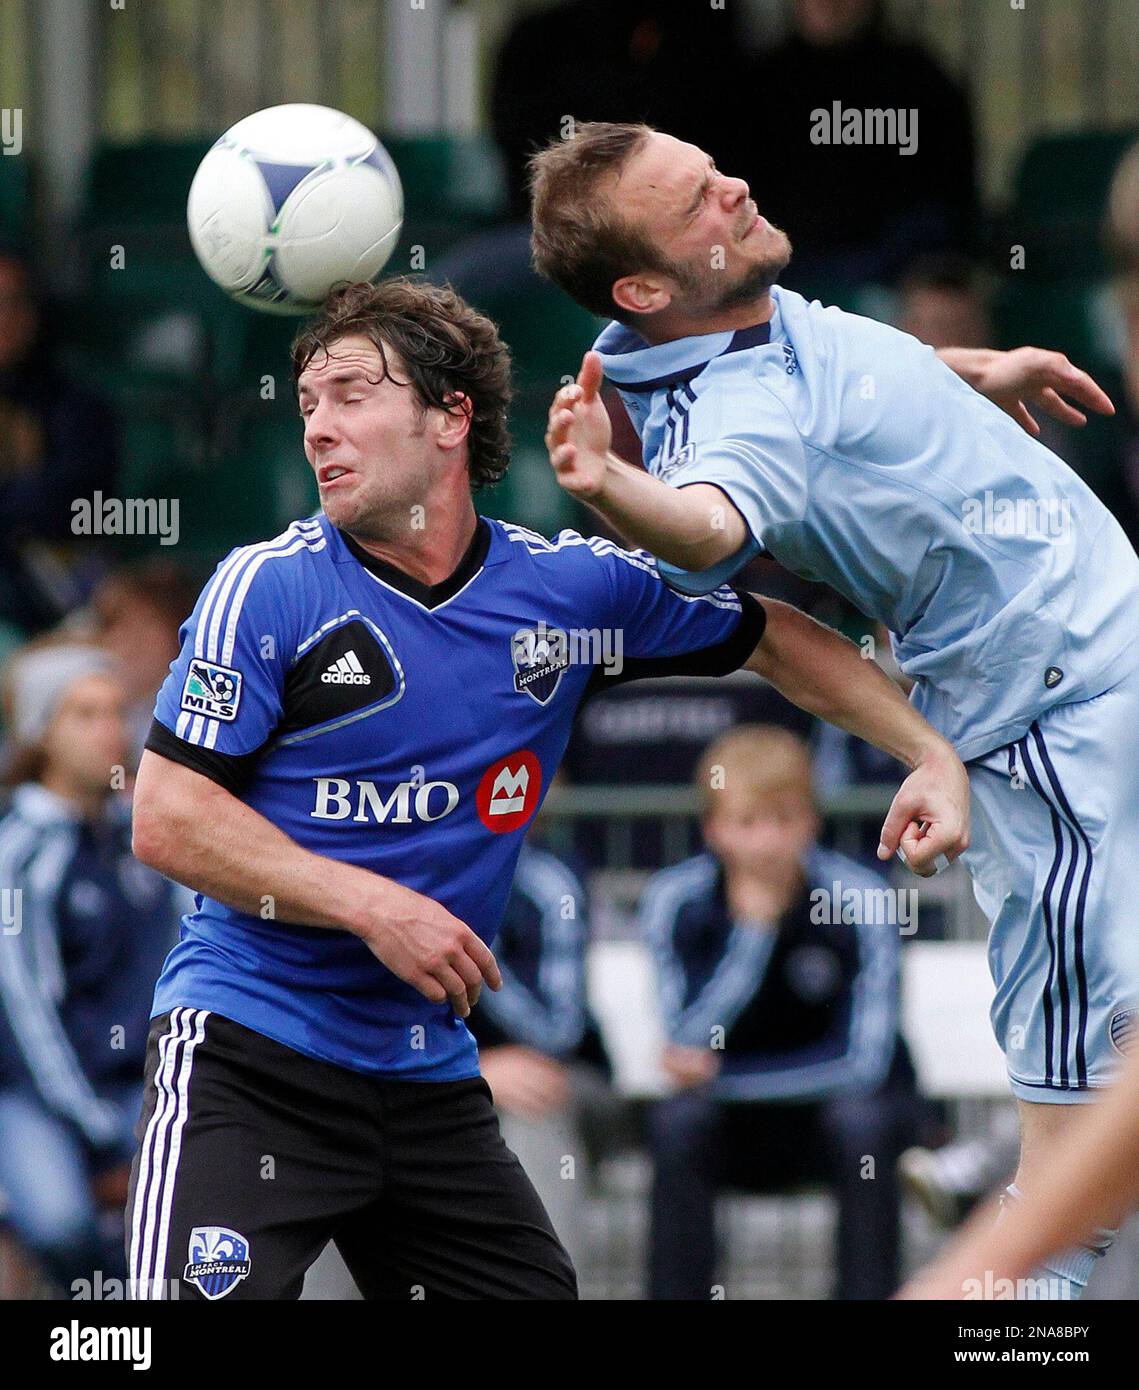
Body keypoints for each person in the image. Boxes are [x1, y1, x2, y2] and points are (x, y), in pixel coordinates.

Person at [127, 276, 968, 1302]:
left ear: (450, 417)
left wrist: (926, 748)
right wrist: (370, 904)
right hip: (251, 1055)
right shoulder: (267, 587)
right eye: (307, 403)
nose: (318, 428)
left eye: (350, 393)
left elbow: (775, 638)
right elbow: (166, 817)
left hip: (421, 1071)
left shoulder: (564, 593)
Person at [529, 120, 1139, 1299]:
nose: (734, 186)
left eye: (716, 167)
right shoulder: (723, 418)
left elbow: (846, 382)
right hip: (1052, 723)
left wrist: (975, 371)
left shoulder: (726, 303)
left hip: (1105, 652)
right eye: (700, 197)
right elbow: (709, 525)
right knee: (1074, 1124)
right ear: (647, 282)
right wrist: (611, 489)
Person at [642, 725, 924, 1300]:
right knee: (676, 1125)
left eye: (784, 819)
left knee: (863, 1124)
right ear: (714, 829)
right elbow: (687, 1038)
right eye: (748, 822)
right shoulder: (677, 899)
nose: (768, 841)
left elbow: (863, 1064)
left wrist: (726, 1078)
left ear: (811, 821)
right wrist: (752, 934)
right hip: (733, 1128)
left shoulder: (858, 899)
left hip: (829, 1120)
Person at [0, 645, 180, 1295]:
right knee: (62, 1224)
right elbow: (26, 1018)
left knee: (202, 1206)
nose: (110, 730)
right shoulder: (20, 852)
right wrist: (104, 1139)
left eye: (116, 712)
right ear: (40, 733)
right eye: (84, 714)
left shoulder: (142, 835)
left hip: (138, 1080)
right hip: (35, 1096)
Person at [467, 839, 614, 1275]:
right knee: (342, 1108)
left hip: (558, 1078)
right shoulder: (381, 876)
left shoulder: (548, 882)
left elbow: (555, 1036)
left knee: (535, 1102)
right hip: (424, 1078)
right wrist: (468, 1070)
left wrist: (470, 937)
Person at [0, 246, 120, 633]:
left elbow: (77, 510)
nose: (3, 318)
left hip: (44, 600)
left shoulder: (76, 405)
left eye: (12, 302)